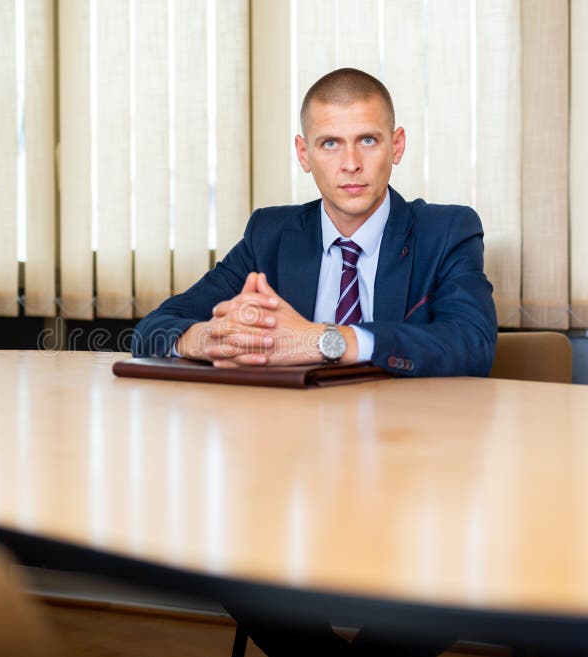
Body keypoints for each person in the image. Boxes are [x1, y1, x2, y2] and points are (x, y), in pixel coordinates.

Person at [132, 68, 497, 655]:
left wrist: (330, 340)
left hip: (416, 472)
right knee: (216, 540)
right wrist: (207, 339)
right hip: (290, 475)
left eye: (368, 140)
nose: (350, 163)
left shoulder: (446, 230)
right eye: (331, 143)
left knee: (448, 557)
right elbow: (153, 330)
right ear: (305, 154)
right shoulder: (271, 234)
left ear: (396, 146)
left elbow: (472, 342)